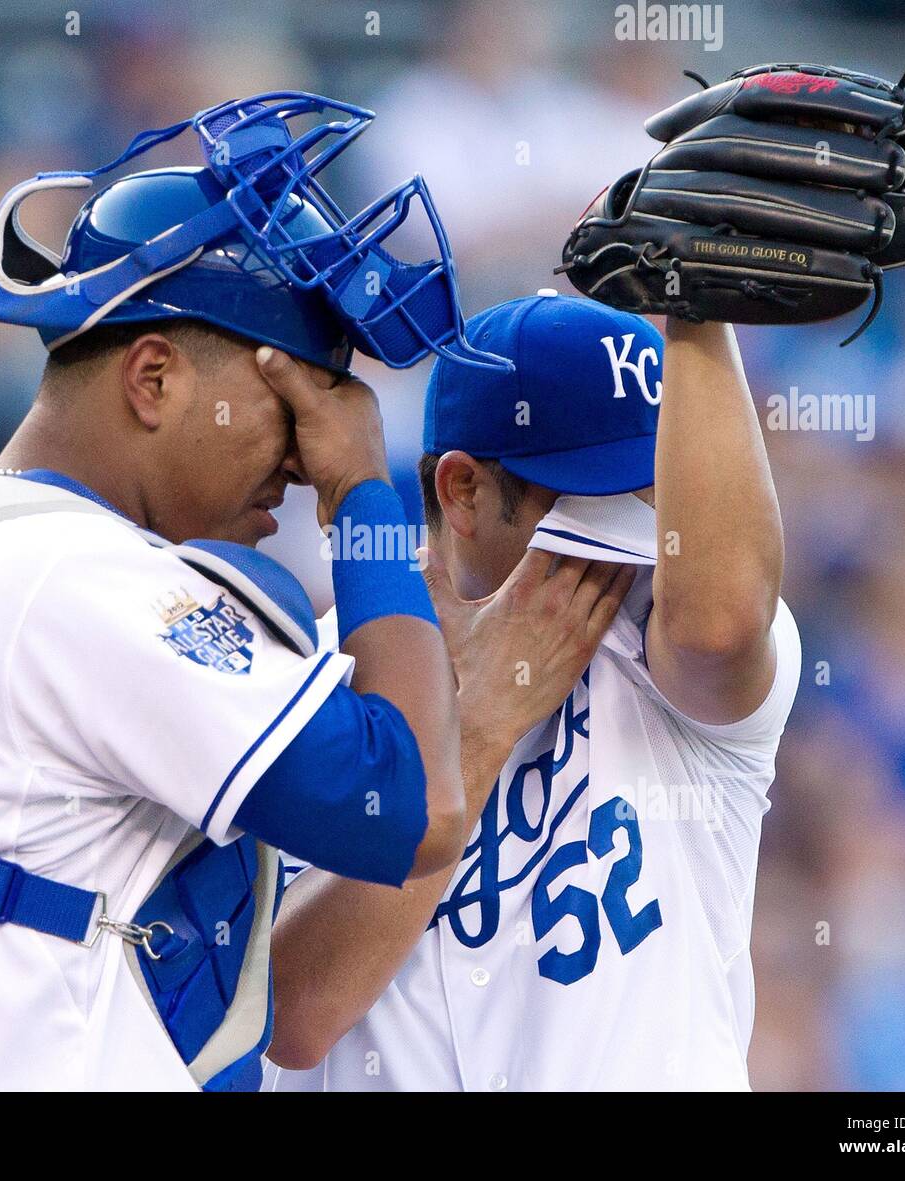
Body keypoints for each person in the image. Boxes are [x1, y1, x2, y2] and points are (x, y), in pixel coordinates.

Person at [0, 93, 504, 1092]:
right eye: (290, 400)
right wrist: (362, 496)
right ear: (154, 377)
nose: (303, 457)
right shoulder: (67, 576)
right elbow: (414, 804)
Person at [266, 291, 802, 1090]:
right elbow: (294, 1012)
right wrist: (480, 726)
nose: (639, 532)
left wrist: (699, 308)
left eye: (653, 489)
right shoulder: (296, 679)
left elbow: (723, 621)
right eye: (590, 498)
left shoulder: (663, 630)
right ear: (463, 492)